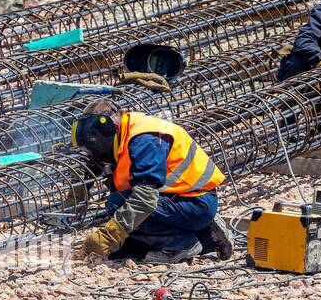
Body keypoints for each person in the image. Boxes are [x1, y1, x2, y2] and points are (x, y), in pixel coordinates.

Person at [71, 107, 235, 264]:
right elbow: (94, 161)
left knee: (118, 204)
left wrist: (109, 235)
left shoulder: (144, 142)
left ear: (110, 128)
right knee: (125, 247)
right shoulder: (128, 126)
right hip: (188, 197)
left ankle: (180, 246)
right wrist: (74, 200)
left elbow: (144, 201)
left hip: (195, 203)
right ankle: (207, 235)